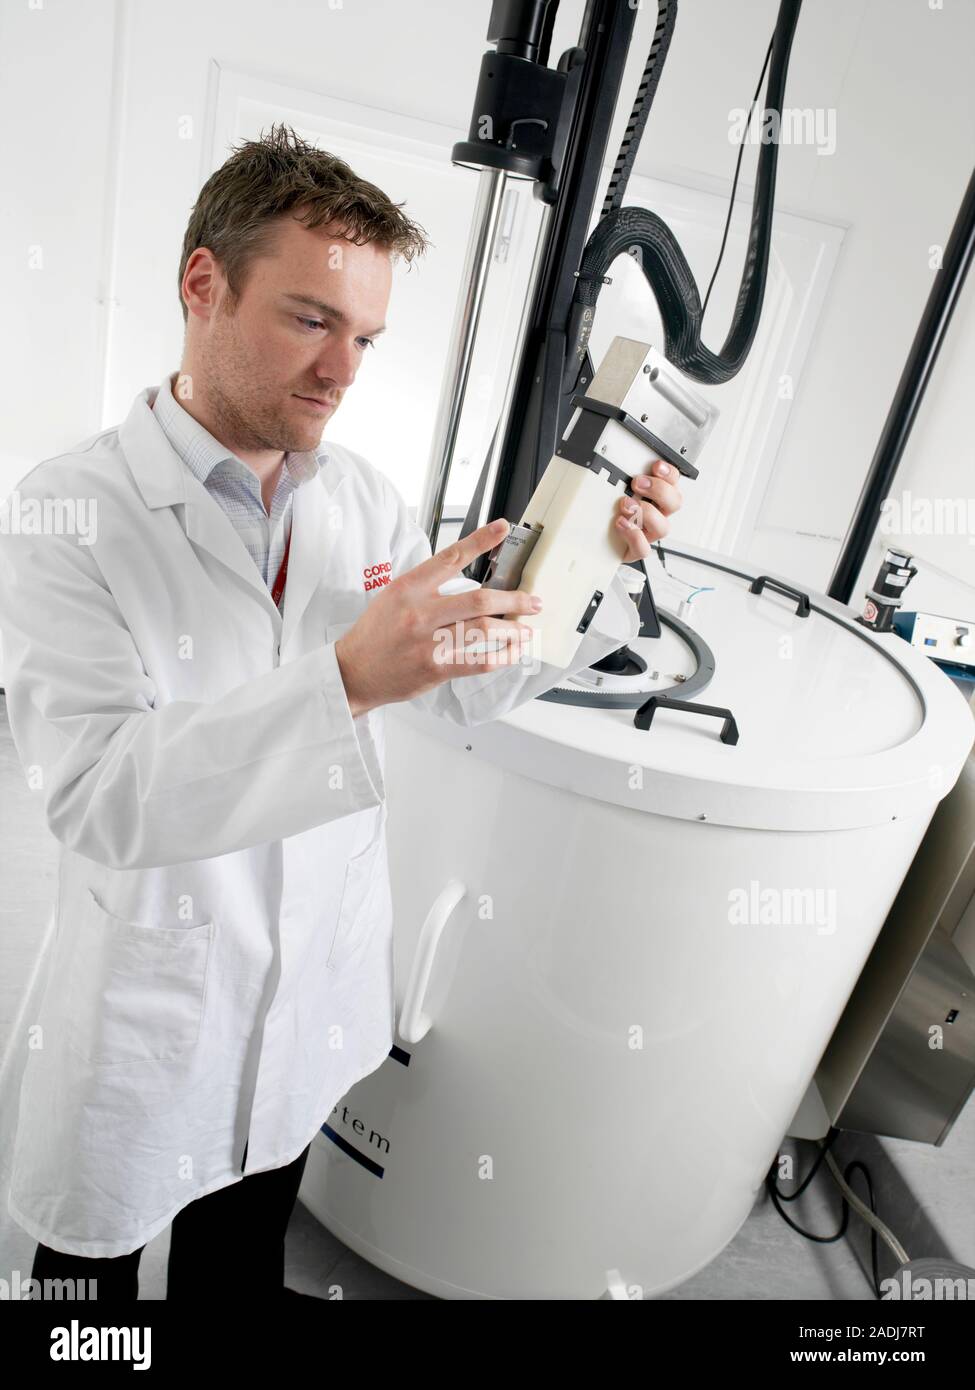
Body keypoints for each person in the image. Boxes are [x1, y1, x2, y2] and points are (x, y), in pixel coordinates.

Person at [0, 124, 682, 1301]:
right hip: (152, 994)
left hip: (310, 978)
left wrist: (599, 567)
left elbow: (466, 682)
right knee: (84, 1284)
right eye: (311, 319)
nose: (343, 370)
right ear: (203, 285)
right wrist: (348, 681)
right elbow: (100, 793)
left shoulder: (365, 504)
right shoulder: (70, 514)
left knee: (238, 1259)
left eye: (363, 336)